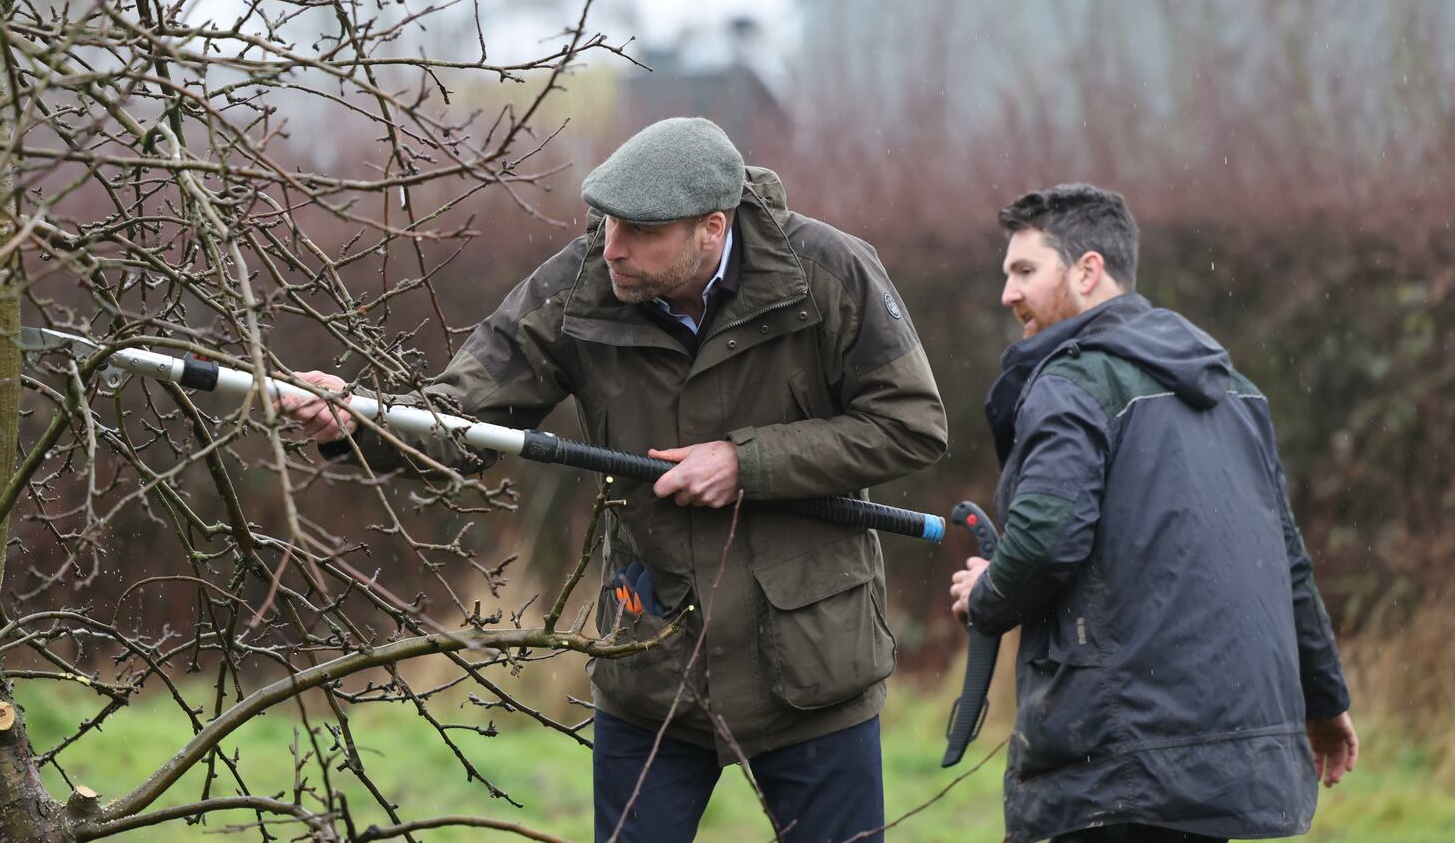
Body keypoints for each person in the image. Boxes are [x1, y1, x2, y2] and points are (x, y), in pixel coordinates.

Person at [289, 117, 949, 843]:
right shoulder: (578, 284)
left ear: (712, 227)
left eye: (639, 230)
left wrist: (746, 462)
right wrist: (362, 421)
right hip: (649, 663)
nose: (612, 247)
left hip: (816, 664)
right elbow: (464, 415)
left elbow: (911, 423)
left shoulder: (830, 272)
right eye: (606, 222)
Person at [949, 184, 1357, 843]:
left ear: (1087, 270)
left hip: (1113, 766)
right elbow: (1288, 560)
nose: (1008, 293)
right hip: (1218, 767)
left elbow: (1046, 539)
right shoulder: (1233, 391)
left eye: (1024, 270)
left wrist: (986, 594)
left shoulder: (1069, 383)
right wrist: (1326, 698)